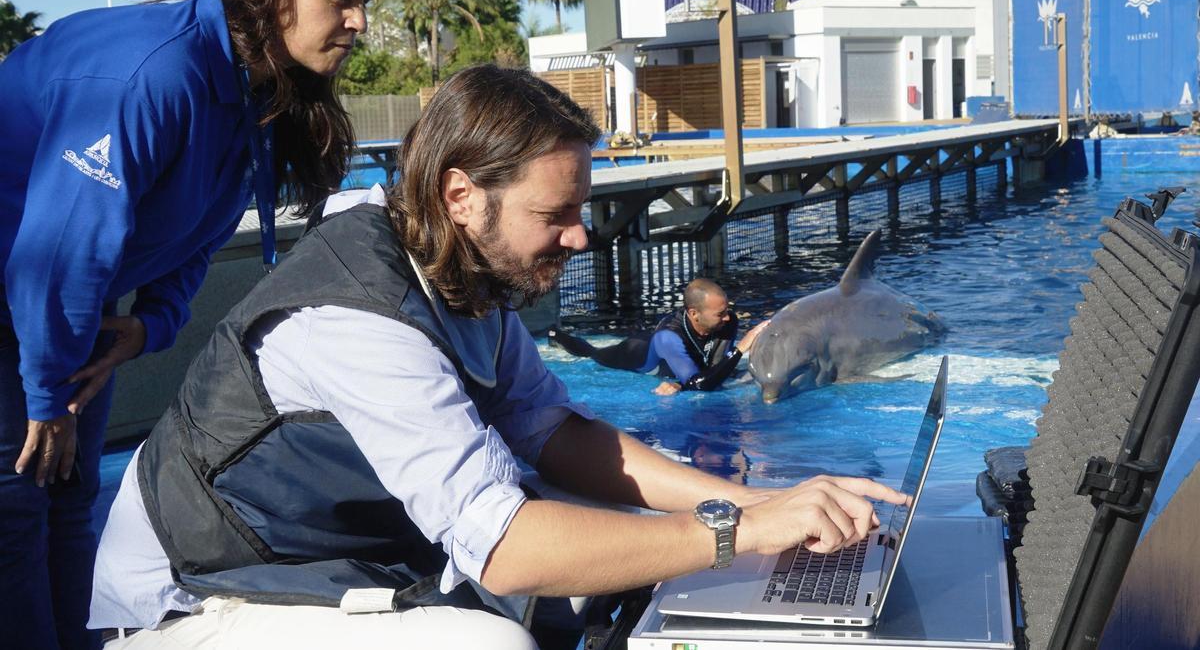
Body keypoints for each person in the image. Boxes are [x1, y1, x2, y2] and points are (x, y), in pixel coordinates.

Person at [89, 65, 907, 649]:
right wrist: (737, 533)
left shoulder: (458, 268)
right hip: (191, 595)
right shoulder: (358, 317)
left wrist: (754, 500)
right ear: (461, 195)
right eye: (557, 214)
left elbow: (553, 431)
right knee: (490, 643)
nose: (580, 236)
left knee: (625, 549)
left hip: (317, 558)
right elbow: (505, 548)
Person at [0, 0, 371, 647]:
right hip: (31, 289)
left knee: (71, 503)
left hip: (68, 301)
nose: (359, 21)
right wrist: (47, 392)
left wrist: (153, 319)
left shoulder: (253, 87)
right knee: (14, 514)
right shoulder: (153, 75)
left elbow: (201, 223)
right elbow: (58, 249)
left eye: (363, 1)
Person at [549, 278, 770, 395]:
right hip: (634, 352)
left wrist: (681, 385)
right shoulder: (669, 338)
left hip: (669, 354)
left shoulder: (726, 321)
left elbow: (714, 368)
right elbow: (700, 384)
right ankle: (555, 334)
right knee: (592, 353)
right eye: (720, 314)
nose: (727, 318)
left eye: (726, 310)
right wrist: (740, 349)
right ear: (694, 314)